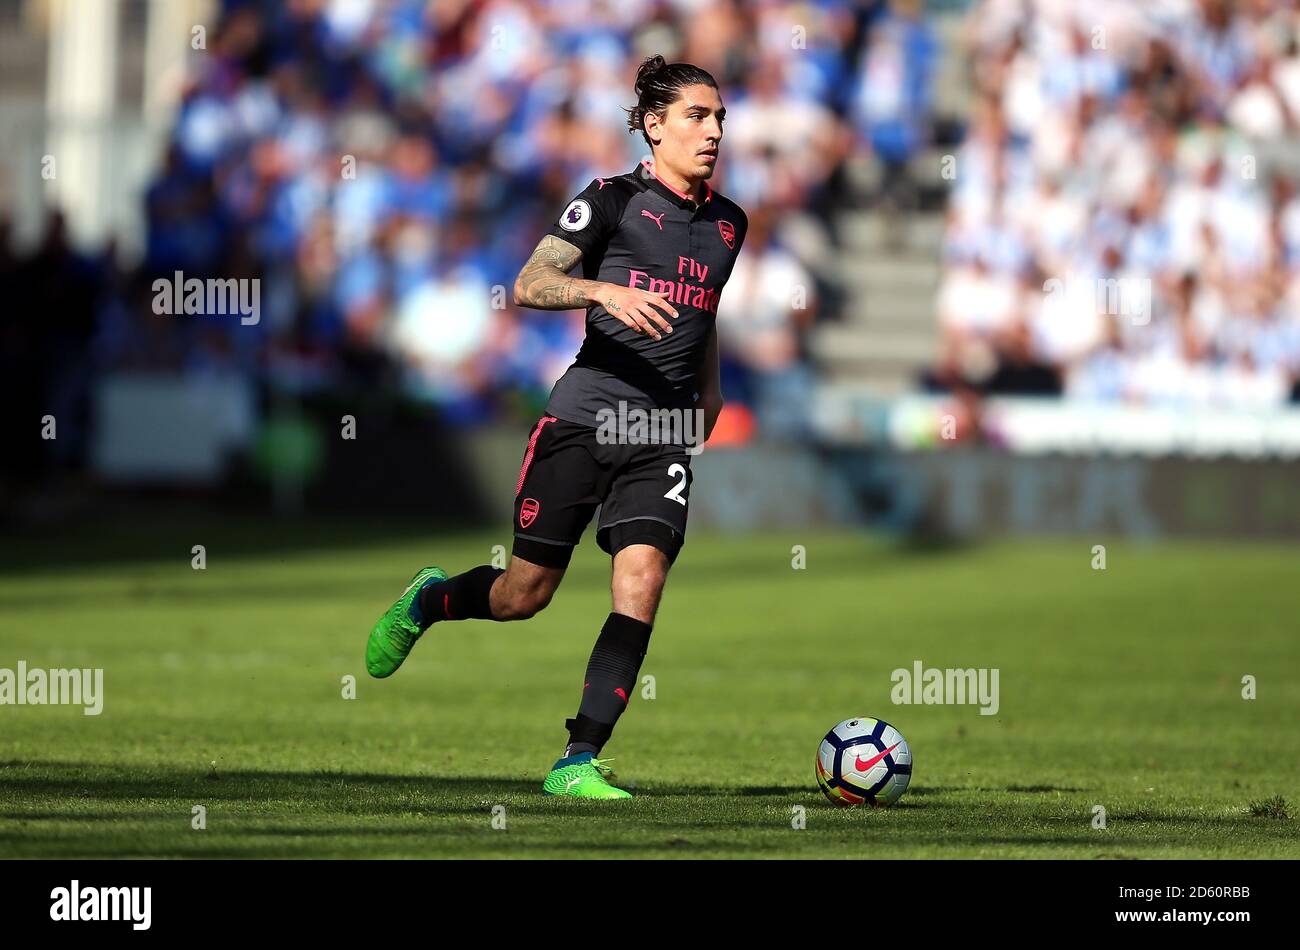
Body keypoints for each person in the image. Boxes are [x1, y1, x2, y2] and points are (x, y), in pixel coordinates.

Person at [364, 55, 748, 799]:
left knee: (642, 580)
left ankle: (577, 760)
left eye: (720, 117)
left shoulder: (730, 223)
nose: (712, 131)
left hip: (663, 431)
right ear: (654, 125)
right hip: (583, 420)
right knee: (524, 594)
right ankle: (429, 600)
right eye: (697, 116)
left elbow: (705, 315)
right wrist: (603, 287)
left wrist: (711, 393)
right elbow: (531, 282)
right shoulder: (609, 200)